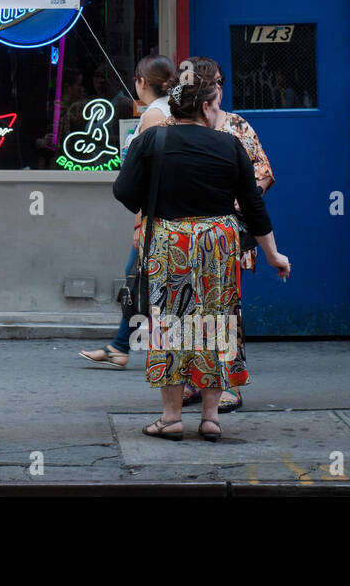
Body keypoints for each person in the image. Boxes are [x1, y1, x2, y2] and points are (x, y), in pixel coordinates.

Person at [113, 75, 290, 442]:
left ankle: (171, 418)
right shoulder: (229, 145)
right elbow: (253, 206)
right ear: (206, 108)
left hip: (170, 240)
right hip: (218, 242)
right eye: (216, 105)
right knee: (216, 323)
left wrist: (156, 201)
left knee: (171, 326)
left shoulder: (151, 139)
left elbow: (123, 190)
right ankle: (210, 418)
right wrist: (273, 254)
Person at [176, 56, 277, 413]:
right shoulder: (173, 126)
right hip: (183, 233)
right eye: (213, 83)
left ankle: (228, 384)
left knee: (224, 309)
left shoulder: (235, 125)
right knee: (186, 308)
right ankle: (193, 380)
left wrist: (241, 200)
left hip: (226, 233)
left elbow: (263, 172)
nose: (219, 88)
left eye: (221, 81)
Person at [80, 54, 176, 368]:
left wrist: (139, 222)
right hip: (160, 211)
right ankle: (121, 346)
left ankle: (143, 348)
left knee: (141, 278)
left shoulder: (154, 115)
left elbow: (150, 175)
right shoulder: (165, 111)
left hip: (154, 214)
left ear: (141, 81)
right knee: (139, 277)